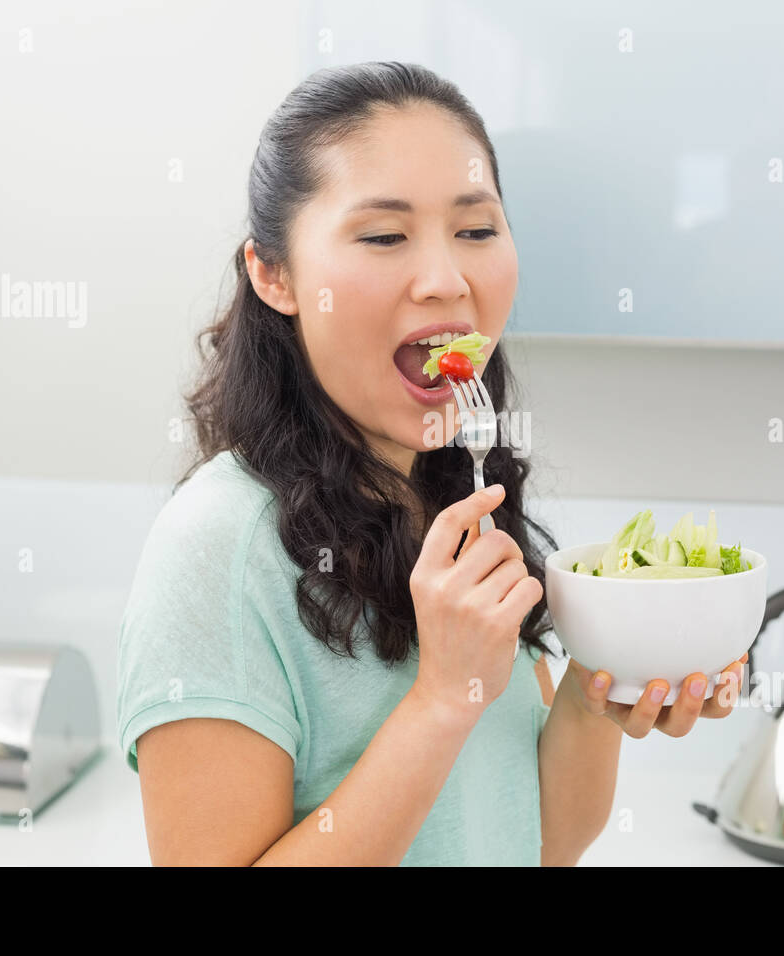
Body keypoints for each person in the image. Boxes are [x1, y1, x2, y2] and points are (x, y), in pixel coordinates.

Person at [115, 61, 746, 866]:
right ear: (274, 275)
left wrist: (601, 690)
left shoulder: (453, 491)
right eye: (384, 236)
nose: (447, 280)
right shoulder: (216, 548)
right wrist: (442, 699)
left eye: (477, 231)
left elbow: (534, 839)